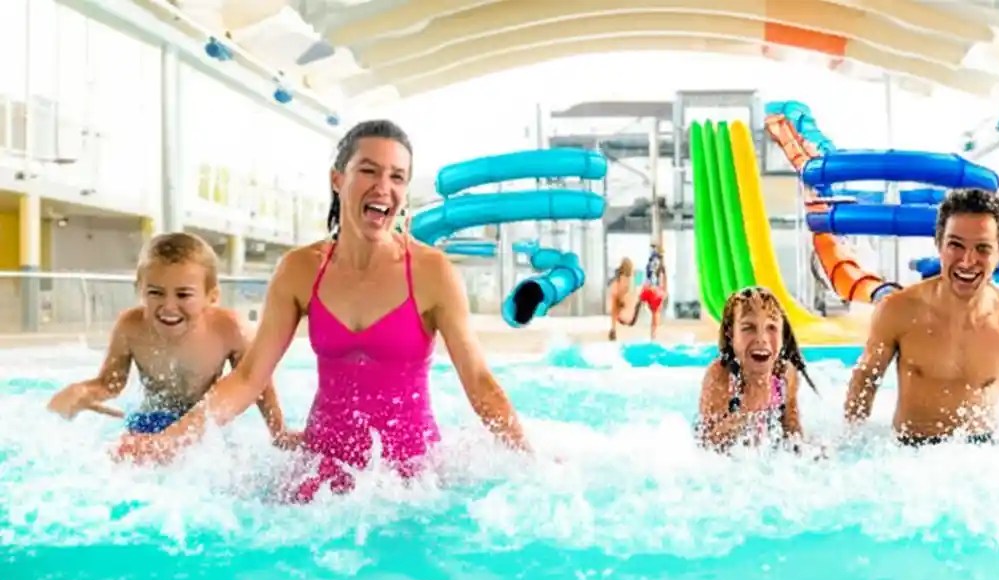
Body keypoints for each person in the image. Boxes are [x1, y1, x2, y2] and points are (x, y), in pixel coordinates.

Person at [114, 119, 531, 502]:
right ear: (338, 179)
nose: (383, 187)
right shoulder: (300, 270)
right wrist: (168, 441)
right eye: (368, 170)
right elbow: (247, 378)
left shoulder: (431, 272)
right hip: (321, 470)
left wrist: (530, 465)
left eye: (397, 176)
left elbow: (479, 382)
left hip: (409, 479)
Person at [47, 232, 293, 445]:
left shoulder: (228, 329)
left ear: (212, 297)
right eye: (155, 293)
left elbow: (257, 382)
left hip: (203, 424)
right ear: (140, 291)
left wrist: (278, 432)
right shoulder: (130, 327)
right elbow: (110, 384)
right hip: (149, 420)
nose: (169, 306)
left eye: (183, 295)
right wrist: (81, 393)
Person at [844, 188, 999, 445]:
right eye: (955, 245)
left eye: (982, 248)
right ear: (939, 244)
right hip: (908, 449)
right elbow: (865, 379)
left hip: (980, 450)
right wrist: (850, 442)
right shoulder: (898, 311)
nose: (967, 261)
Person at [697, 286, 815, 452]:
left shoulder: (784, 375)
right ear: (731, 334)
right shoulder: (721, 376)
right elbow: (707, 443)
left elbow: (792, 430)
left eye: (771, 327)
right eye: (748, 328)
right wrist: (745, 411)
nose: (761, 339)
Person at [635, 246, 667, 341]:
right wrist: (664, 291)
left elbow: (648, 277)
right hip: (656, 291)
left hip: (648, 288)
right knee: (655, 313)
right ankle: (653, 335)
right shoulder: (661, 265)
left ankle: (634, 320)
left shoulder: (650, 262)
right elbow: (662, 278)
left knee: (643, 307)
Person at [606, 257, 640, 341]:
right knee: (616, 295)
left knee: (614, 296)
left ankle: (613, 328)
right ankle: (613, 329)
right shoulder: (635, 280)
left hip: (623, 316)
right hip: (633, 317)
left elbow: (620, 296)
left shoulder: (620, 281)